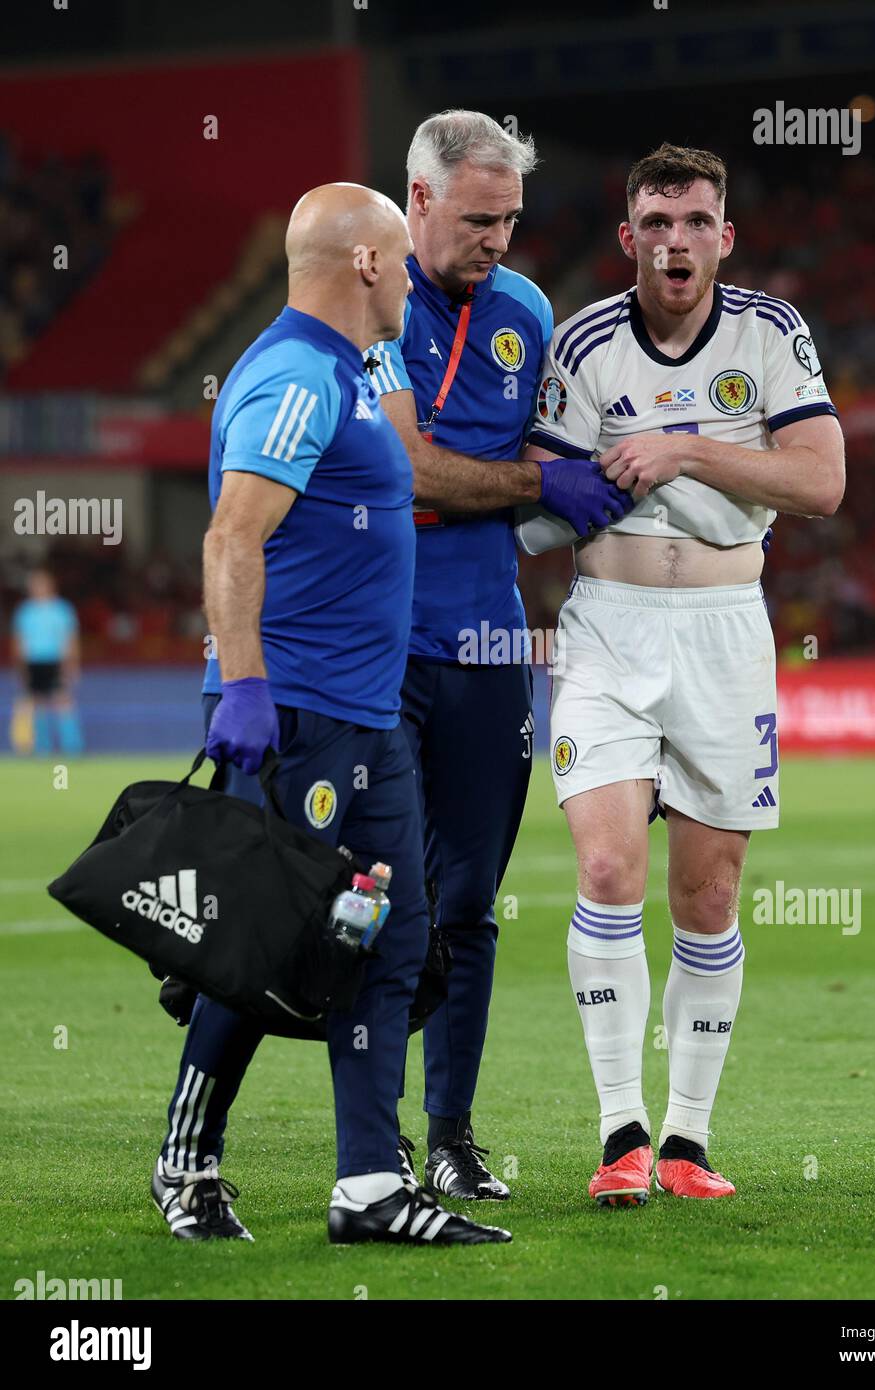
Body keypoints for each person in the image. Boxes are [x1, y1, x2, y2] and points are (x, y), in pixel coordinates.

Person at [152, 181, 510, 1246]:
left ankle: (368, 1186)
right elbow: (230, 536)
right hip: (299, 716)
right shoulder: (299, 376)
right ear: (361, 265)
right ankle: (187, 1162)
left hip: (367, 719)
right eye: (398, 258)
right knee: (260, 948)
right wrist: (249, 685)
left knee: (387, 941)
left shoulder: (347, 375)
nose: (410, 275)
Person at [521, 144, 845, 1206]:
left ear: (724, 235)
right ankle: (619, 1128)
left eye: (694, 221)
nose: (675, 240)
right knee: (609, 872)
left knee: (707, 893)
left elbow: (822, 482)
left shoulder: (771, 332)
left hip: (722, 633)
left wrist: (684, 451)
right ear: (628, 237)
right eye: (655, 222)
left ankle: (687, 1139)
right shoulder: (582, 343)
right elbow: (539, 507)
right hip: (608, 629)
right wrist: (585, 487)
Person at [367, 110, 632, 1199]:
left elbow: (551, 455)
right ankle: (368, 1135)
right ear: (419, 198)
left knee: (470, 903)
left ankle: (452, 1133)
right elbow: (412, 472)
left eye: (512, 220)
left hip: (486, 644)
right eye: (479, 219)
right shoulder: (368, 296)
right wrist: (530, 486)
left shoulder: (526, 311)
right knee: (376, 899)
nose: (498, 242)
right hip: (373, 646)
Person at [11, 567, 83, 754]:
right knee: (37, 704)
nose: (37, 588)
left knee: (63, 701)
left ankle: (72, 747)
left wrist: (72, 664)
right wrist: (21, 667)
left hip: (56, 661)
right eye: (34, 584)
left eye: (41, 583)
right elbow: (20, 641)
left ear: (50, 585)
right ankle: (42, 747)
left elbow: (70, 638)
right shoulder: (25, 611)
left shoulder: (62, 609)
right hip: (34, 662)